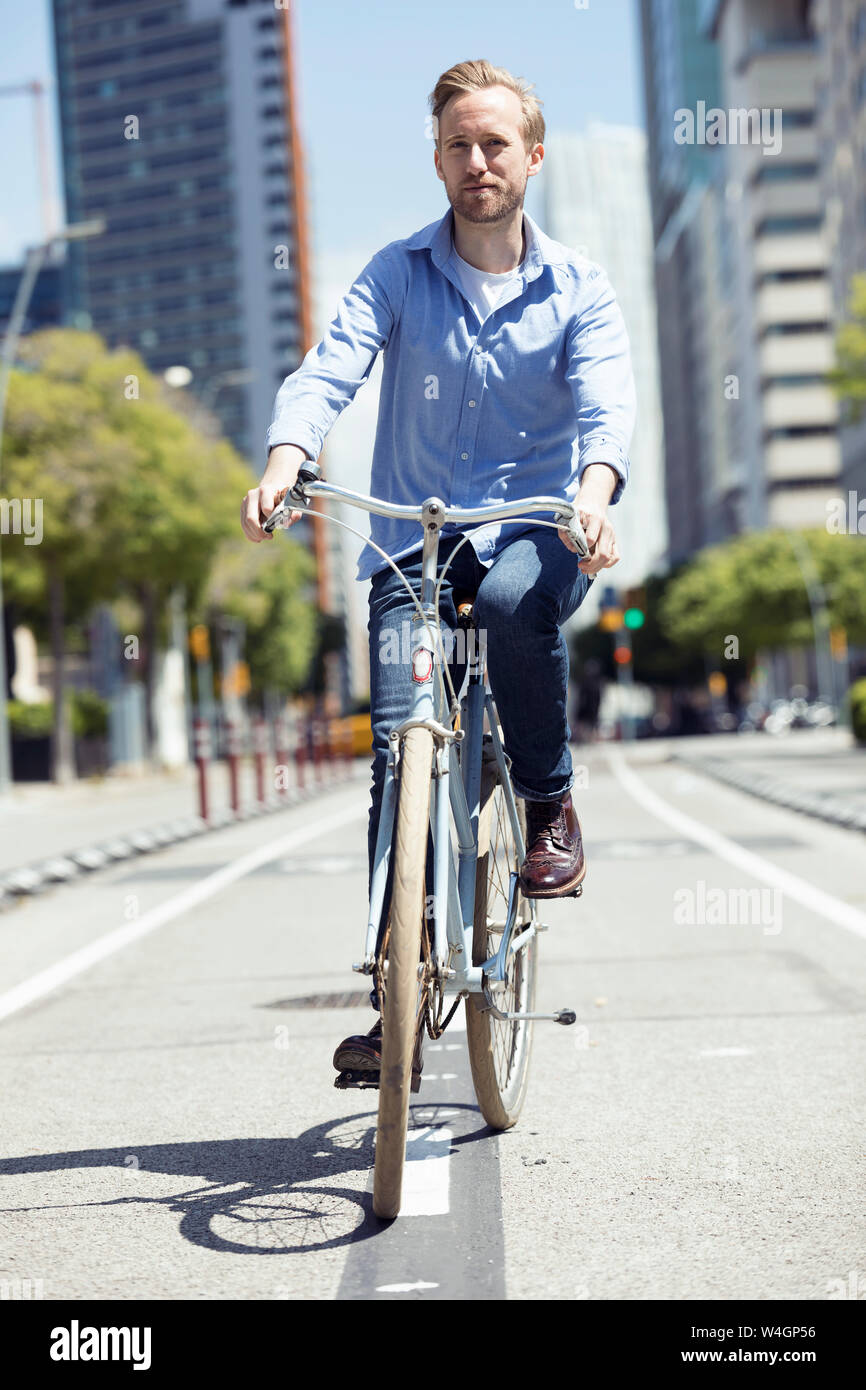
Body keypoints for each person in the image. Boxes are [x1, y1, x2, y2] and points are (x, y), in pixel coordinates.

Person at [241, 60, 636, 1081]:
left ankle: (546, 801)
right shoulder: (394, 273)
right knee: (392, 752)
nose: (476, 161)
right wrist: (285, 462)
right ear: (436, 159)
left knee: (510, 604)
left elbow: (605, 412)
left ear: (531, 156)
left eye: (494, 143)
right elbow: (329, 366)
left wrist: (591, 496)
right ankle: (399, 993)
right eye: (457, 145)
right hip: (411, 541)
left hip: (536, 528)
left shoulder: (577, 288)